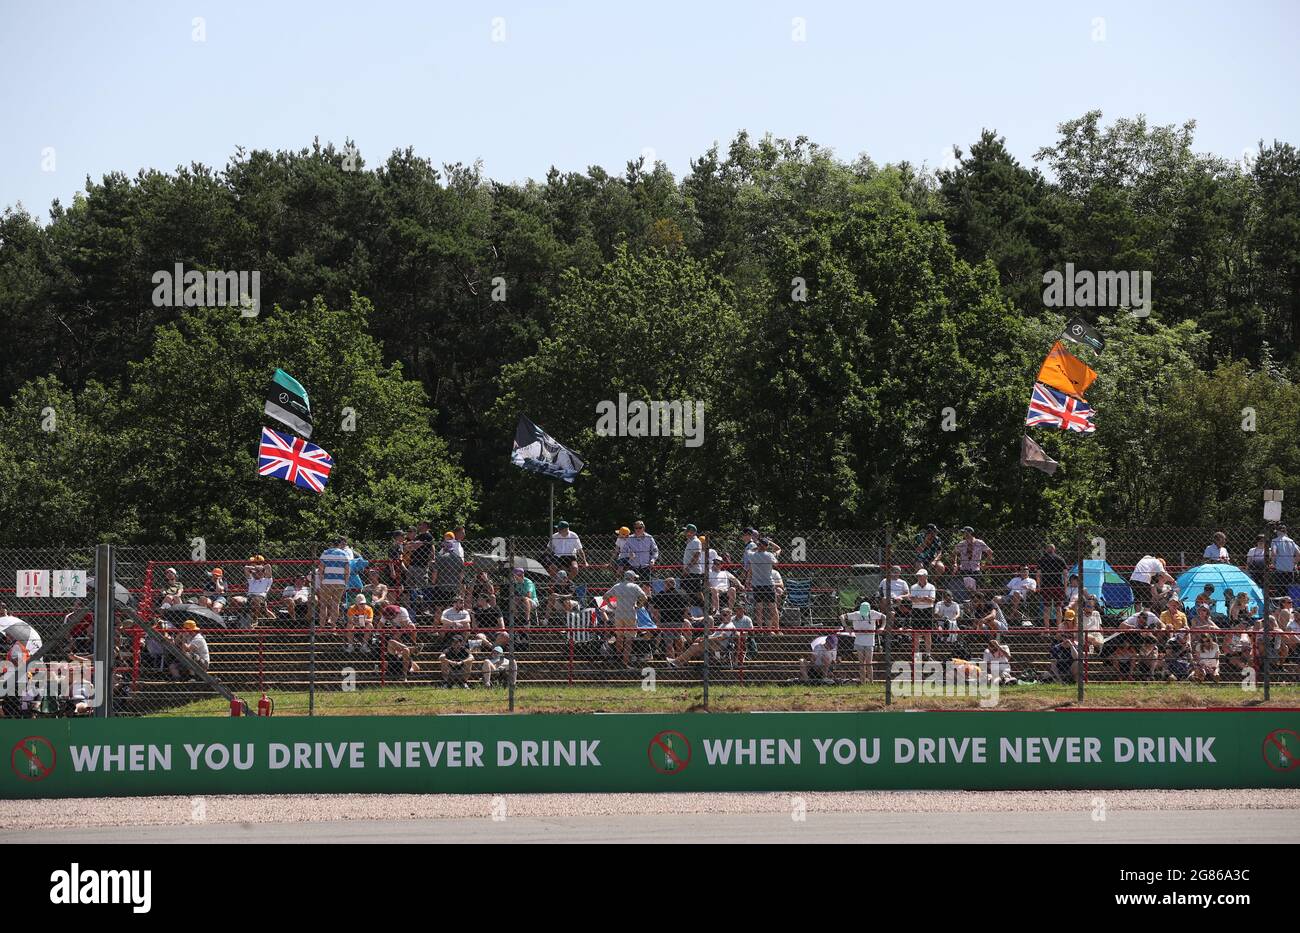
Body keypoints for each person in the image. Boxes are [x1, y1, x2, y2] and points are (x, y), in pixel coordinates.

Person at [670, 607, 753, 666]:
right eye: (721, 615)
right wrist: (704, 637)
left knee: (696, 645)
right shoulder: (722, 624)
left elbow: (721, 638)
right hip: (713, 643)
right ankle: (679, 662)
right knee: (695, 646)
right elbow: (713, 635)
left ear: (730, 616)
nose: (722, 617)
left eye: (725, 615)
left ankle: (677, 662)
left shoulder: (729, 625)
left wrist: (706, 638)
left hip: (719, 646)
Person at [604, 571, 648, 668]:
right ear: (632, 578)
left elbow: (605, 596)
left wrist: (611, 606)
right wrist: (639, 606)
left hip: (619, 613)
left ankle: (617, 659)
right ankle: (625, 663)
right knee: (629, 640)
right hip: (630, 613)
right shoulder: (635, 586)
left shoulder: (617, 586)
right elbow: (645, 597)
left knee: (619, 637)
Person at [651, 577, 691, 660]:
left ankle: (672, 661)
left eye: (665, 584)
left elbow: (655, 610)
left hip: (666, 621)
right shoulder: (681, 593)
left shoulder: (662, 594)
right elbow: (686, 609)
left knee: (669, 643)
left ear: (666, 584)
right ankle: (680, 659)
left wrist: (657, 622)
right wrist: (684, 618)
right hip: (678, 621)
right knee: (678, 638)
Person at [748, 537, 782, 631]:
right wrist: (769, 542)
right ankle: (777, 628)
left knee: (759, 607)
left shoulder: (752, 555)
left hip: (757, 584)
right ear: (766, 546)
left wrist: (757, 546)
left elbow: (749, 550)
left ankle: (760, 628)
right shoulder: (769, 555)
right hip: (768, 584)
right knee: (773, 607)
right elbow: (778, 549)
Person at [379, 603, 420, 679]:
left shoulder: (402, 611)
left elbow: (405, 625)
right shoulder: (386, 613)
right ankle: (413, 649)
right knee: (401, 647)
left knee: (412, 627)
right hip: (396, 664)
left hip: (405, 627)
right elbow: (379, 625)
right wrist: (385, 630)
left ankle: (413, 645)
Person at [318, 539, 353, 629]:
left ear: (331, 544)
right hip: (339, 582)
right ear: (339, 544)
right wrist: (345, 583)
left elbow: (320, 569)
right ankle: (333, 626)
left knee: (323, 605)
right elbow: (347, 570)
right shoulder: (344, 554)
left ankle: (321, 627)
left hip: (327, 582)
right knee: (335, 604)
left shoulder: (325, 553)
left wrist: (321, 581)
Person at [847, 600, 884, 684]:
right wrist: (846, 626)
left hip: (869, 642)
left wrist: (882, 627)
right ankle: (862, 681)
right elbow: (842, 616)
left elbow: (884, 617)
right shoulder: (856, 614)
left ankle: (871, 682)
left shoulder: (873, 613)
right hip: (859, 642)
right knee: (861, 663)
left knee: (869, 663)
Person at [1036, 544, 1068, 627]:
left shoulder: (1042, 559)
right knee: (1058, 608)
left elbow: (1038, 574)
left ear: (1046, 549)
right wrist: (1065, 586)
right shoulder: (1060, 559)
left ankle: (1047, 629)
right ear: (1054, 549)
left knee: (1046, 608)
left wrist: (1039, 586)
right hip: (1058, 585)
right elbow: (1065, 574)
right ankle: (1059, 629)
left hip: (1046, 586)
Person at [909, 568, 937, 658]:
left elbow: (932, 600)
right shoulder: (913, 587)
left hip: (928, 610)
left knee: (927, 633)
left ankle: (928, 654)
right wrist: (925, 598)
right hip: (916, 610)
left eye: (921, 576)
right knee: (916, 632)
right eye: (918, 576)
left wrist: (919, 599)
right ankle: (916, 654)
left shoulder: (931, 587)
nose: (919, 577)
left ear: (926, 576)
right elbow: (913, 600)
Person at [680, 524, 706, 605]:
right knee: (685, 586)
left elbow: (696, 556)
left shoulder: (696, 542)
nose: (685, 533)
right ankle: (697, 603)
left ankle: (705, 606)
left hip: (693, 571)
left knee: (697, 590)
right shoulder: (690, 541)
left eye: (687, 531)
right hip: (689, 570)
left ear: (692, 532)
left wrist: (687, 568)